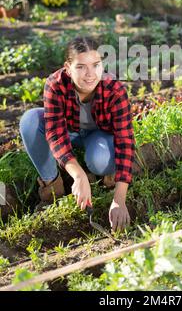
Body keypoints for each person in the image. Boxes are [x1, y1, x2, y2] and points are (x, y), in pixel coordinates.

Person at [19, 36, 135, 232]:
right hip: (69, 133)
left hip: (98, 136)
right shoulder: (55, 84)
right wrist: (78, 175)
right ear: (67, 67)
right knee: (30, 120)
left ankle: (103, 176)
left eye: (96, 65)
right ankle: (53, 187)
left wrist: (119, 200)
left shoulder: (115, 90)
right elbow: (55, 133)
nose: (90, 74)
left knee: (100, 159)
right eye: (81, 67)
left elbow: (125, 143)